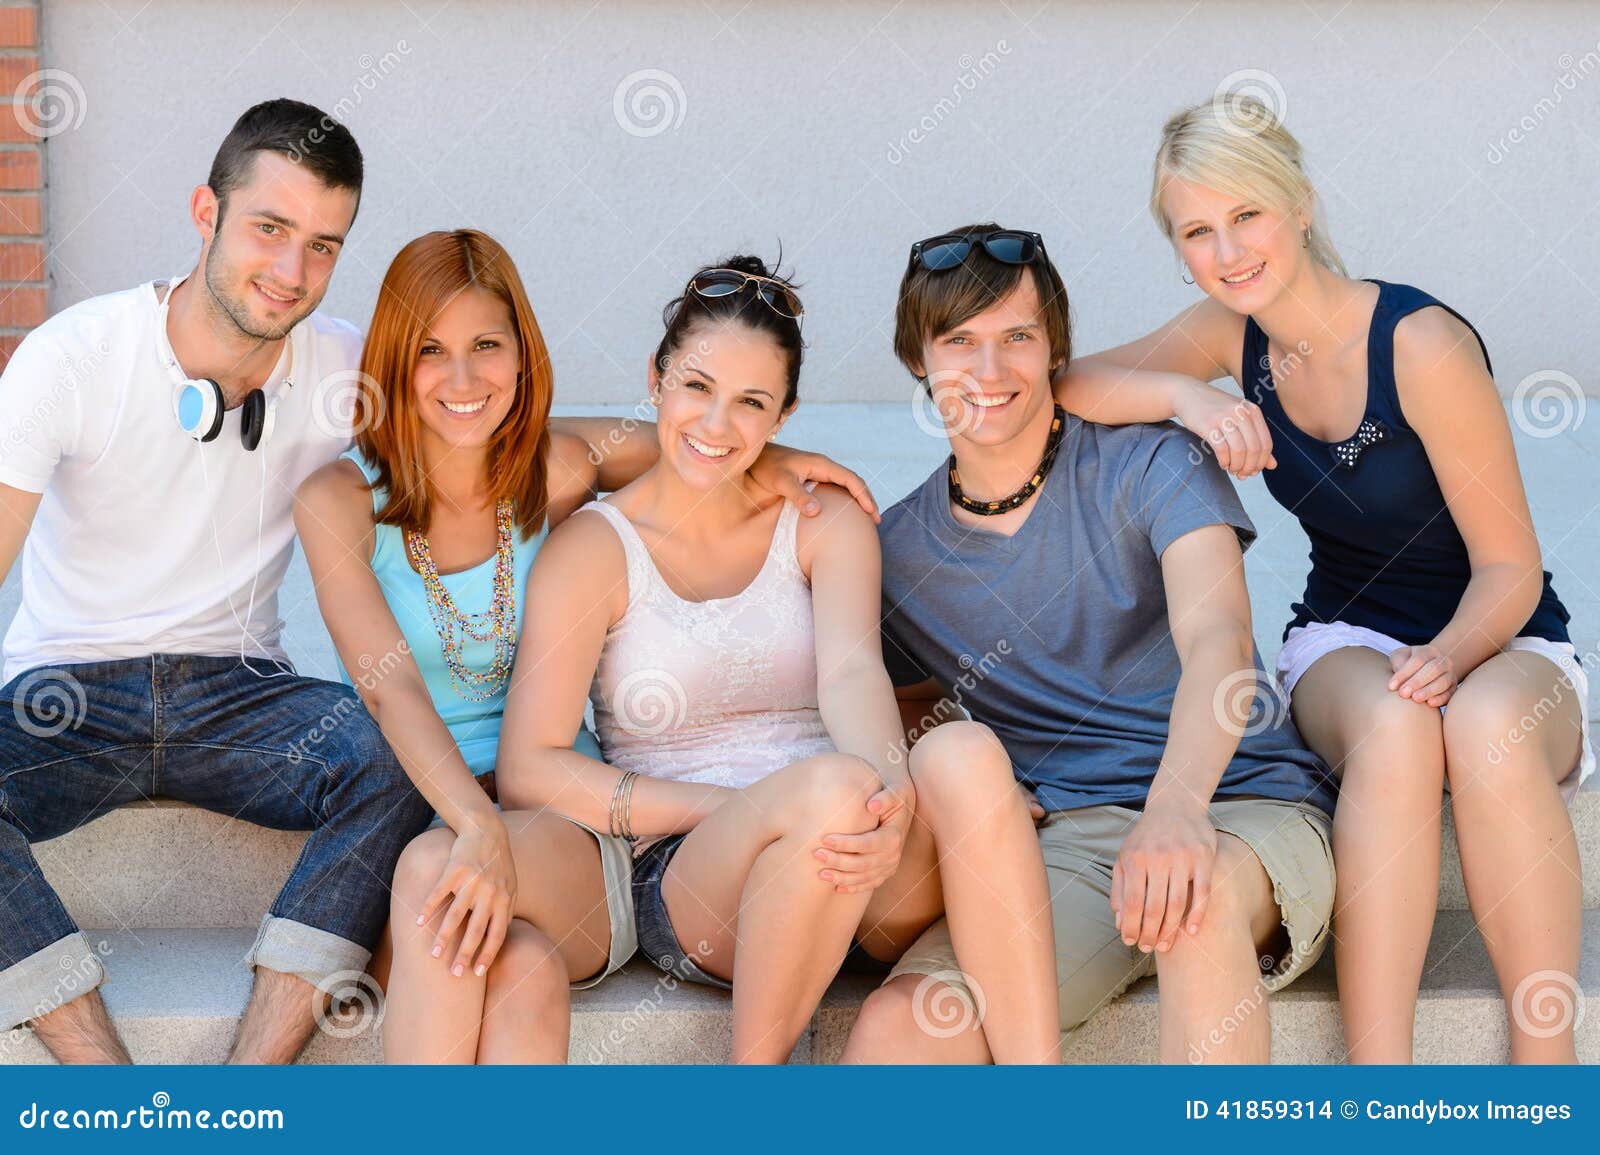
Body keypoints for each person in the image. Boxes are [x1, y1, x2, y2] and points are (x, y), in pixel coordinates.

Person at [1056, 99, 1590, 1063]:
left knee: (1478, 723)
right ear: (1180, 250)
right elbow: (1073, 381)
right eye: (1198, 231)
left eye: (1247, 215)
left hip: (1502, 632)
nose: (1229, 250)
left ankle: (1544, 1078)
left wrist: (1455, 654)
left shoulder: (1418, 343)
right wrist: (1186, 392)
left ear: (1298, 205)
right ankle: (1376, 1086)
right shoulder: (1233, 335)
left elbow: (1510, 563)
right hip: (1350, 636)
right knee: (1392, 720)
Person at [296, 232, 881, 1063]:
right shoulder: (337, 499)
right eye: (431, 350)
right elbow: (389, 687)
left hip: (563, 831)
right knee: (510, 959)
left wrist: (777, 455)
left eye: (487, 347)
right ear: (393, 358)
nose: (463, 380)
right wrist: (475, 822)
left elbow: (688, 444)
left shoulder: (556, 468)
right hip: (423, 801)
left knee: (450, 880)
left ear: (522, 354)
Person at [493, 256, 1061, 1064]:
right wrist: (737, 804)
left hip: (856, 856)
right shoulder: (594, 546)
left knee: (963, 752)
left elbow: (852, 675)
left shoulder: (823, 518)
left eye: (751, 402)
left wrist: (891, 789)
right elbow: (528, 769)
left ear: (784, 414)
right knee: (830, 789)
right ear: (655, 379)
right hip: (698, 878)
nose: (717, 425)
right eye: (697, 387)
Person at [0, 99, 436, 1064]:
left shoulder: (347, 369)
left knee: (399, 755)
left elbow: (507, 440)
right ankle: (109, 1091)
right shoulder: (75, 356)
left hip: (241, 690)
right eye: (270, 229)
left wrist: (742, 456)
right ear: (206, 212)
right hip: (66, 690)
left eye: (322, 246)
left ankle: (248, 1087)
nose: (291, 273)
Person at [841, 223, 1338, 1064]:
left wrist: (1177, 811)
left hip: (1237, 801)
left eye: (1017, 339)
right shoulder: (901, 554)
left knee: (1199, 897)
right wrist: (978, 785)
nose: (989, 372)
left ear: (1055, 351)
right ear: (917, 362)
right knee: (905, 1024)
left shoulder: (1152, 461)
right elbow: (872, 696)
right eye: (958, 343)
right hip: (1072, 843)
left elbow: (1219, 638)